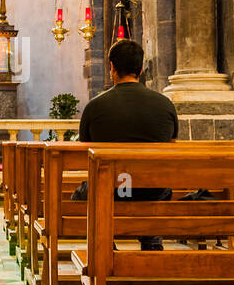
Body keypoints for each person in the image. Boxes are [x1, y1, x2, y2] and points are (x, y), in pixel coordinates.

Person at [72, 39, 178, 250]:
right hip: (153, 191)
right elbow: (171, 143)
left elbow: (85, 151)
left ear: (111, 67)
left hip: (109, 189)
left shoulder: (95, 107)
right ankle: (151, 240)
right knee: (157, 189)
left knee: (82, 195)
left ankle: (105, 242)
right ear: (140, 68)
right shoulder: (165, 104)